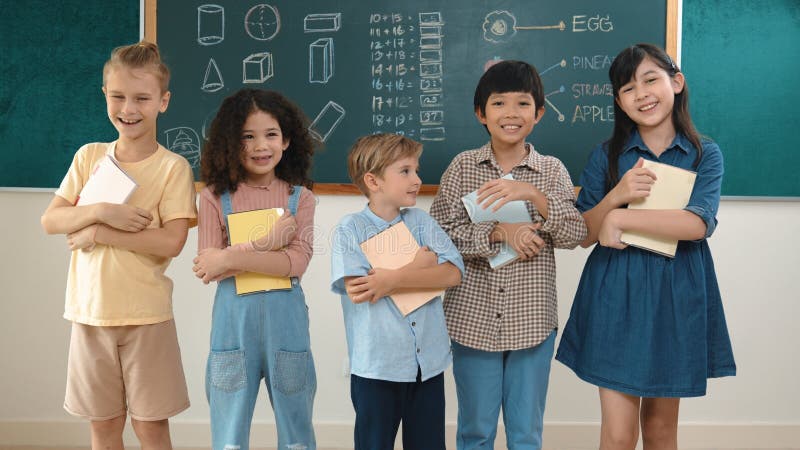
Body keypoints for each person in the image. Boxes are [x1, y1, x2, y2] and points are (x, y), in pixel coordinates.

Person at [555, 43, 737, 450]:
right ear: (619, 101)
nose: (641, 94)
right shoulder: (607, 155)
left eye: (650, 80)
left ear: (676, 82)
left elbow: (696, 223)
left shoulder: (704, 154)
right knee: (619, 436)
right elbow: (583, 233)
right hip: (615, 293)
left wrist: (622, 219)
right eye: (627, 88)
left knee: (659, 432)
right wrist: (615, 196)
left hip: (677, 294)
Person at [40, 41, 196, 449]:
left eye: (142, 98)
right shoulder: (89, 157)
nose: (128, 108)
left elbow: (172, 241)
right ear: (105, 95)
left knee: (150, 427)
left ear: (163, 101)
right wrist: (103, 211)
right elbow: (51, 220)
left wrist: (98, 233)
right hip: (90, 314)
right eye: (118, 96)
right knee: (104, 427)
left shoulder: (172, 168)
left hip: (147, 317)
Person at [430, 60, 587, 450]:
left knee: (525, 434)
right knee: (476, 431)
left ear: (539, 113)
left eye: (523, 104)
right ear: (481, 113)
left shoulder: (551, 170)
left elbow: (574, 234)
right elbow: (438, 240)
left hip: (532, 321)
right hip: (472, 319)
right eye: (499, 104)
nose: (512, 114)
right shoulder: (463, 168)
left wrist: (534, 196)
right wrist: (499, 232)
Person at [192, 88, 317, 450]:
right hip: (233, 329)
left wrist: (230, 256)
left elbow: (296, 263)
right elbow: (207, 267)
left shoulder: (300, 198)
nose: (260, 146)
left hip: (287, 328)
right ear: (231, 142)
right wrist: (267, 241)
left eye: (271, 135)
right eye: (248, 136)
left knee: (296, 432)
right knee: (229, 432)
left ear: (287, 140)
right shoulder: (213, 198)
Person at [330, 133, 464, 450]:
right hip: (377, 368)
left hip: (426, 365)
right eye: (405, 171)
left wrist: (392, 279)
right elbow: (361, 289)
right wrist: (418, 266)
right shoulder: (351, 229)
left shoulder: (421, 222)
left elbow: (453, 273)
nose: (417, 179)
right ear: (373, 181)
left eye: (416, 170)